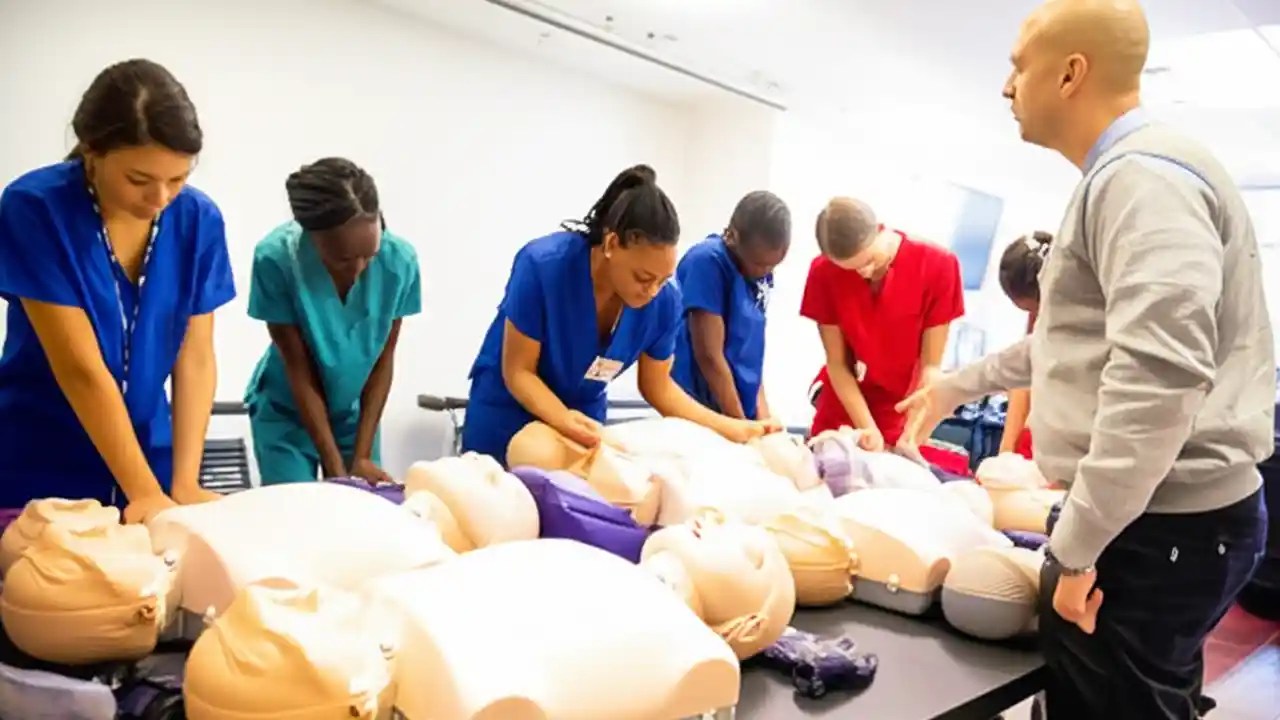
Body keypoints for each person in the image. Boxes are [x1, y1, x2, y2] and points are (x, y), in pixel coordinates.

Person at [898, 1, 1272, 716]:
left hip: (1157, 527)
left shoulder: (1142, 179)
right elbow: (1075, 345)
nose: (1007, 86)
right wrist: (956, 386)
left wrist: (1075, 548)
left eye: (1018, 65)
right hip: (1164, 521)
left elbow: (1158, 380)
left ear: (1071, 73)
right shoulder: (1121, 177)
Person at [0, 59, 235, 522]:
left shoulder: (197, 219)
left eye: (178, 178)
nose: (162, 198)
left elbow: (196, 356)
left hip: (153, 455)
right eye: (139, 180)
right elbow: (79, 367)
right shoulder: (36, 208)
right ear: (91, 151)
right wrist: (145, 494)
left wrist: (183, 482)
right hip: (43, 454)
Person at [461, 165, 775, 466]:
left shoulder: (664, 301)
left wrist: (731, 427)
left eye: (662, 279)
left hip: (582, 417)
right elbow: (519, 371)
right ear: (612, 243)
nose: (652, 291)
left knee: (579, 505)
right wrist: (561, 419)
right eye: (643, 277)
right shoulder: (544, 266)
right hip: (508, 410)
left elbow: (659, 388)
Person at [244, 159, 421, 484]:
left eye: (369, 255)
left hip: (355, 417)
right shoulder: (276, 259)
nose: (357, 270)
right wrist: (336, 472)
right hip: (289, 412)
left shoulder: (399, 262)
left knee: (359, 517)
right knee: (299, 513)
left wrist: (362, 455)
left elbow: (384, 358)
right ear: (311, 237)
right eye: (342, 259)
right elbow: (298, 368)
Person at [801, 197, 965, 453]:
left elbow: (931, 367)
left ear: (879, 230)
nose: (863, 273)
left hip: (901, 403)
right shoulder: (823, 272)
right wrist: (867, 428)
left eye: (869, 261)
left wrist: (914, 430)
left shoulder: (937, 265)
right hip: (846, 398)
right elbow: (837, 363)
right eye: (851, 270)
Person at [671, 191, 791, 421]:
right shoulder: (707, 262)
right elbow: (709, 355)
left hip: (738, 411)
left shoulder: (760, 276)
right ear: (732, 236)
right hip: (700, 409)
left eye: (773, 266)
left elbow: (751, 356)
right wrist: (740, 427)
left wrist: (764, 422)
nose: (765, 272)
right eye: (759, 264)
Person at [995, 231, 1053, 459]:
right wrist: (1005, 451)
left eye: (1035, 310)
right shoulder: (1041, 317)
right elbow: (1024, 376)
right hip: (1037, 435)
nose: (1036, 316)